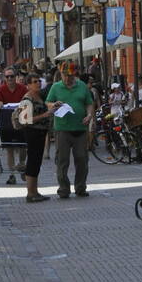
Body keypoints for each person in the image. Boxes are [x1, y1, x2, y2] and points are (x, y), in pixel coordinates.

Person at [46, 61, 95, 199]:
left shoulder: (82, 86)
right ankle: (63, 188)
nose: (67, 78)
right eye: (65, 75)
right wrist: (53, 104)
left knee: (82, 159)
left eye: (70, 76)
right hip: (62, 129)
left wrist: (89, 115)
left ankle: (80, 187)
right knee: (62, 160)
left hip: (80, 128)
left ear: (75, 75)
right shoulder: (56, 87)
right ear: (60, 74)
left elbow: (89, 104)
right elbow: (48, 103)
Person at [20, 74, 51, 202]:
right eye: (34, 82)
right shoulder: (27, 99)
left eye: (38, 81)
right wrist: (44, 115)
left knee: (37, 162)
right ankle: (30, 193)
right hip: (32, 132)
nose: (38, 83)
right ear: (28, 85)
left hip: (40, 132)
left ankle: (35, 191)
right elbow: (24, 119)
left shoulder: (38, 96)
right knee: (32, 161)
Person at [0, 67, 28, 185]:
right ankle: (12, 174)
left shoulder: (23, 89)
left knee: (23, 146)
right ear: (5, 78)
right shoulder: (1, 89)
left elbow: (27, 103)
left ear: (16, 77)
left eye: (12, 76)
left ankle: (21, 163)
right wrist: (0, 107)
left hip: (20, 121)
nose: (9, 79)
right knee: (9, 148)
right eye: (7, 76)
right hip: (7, 122)